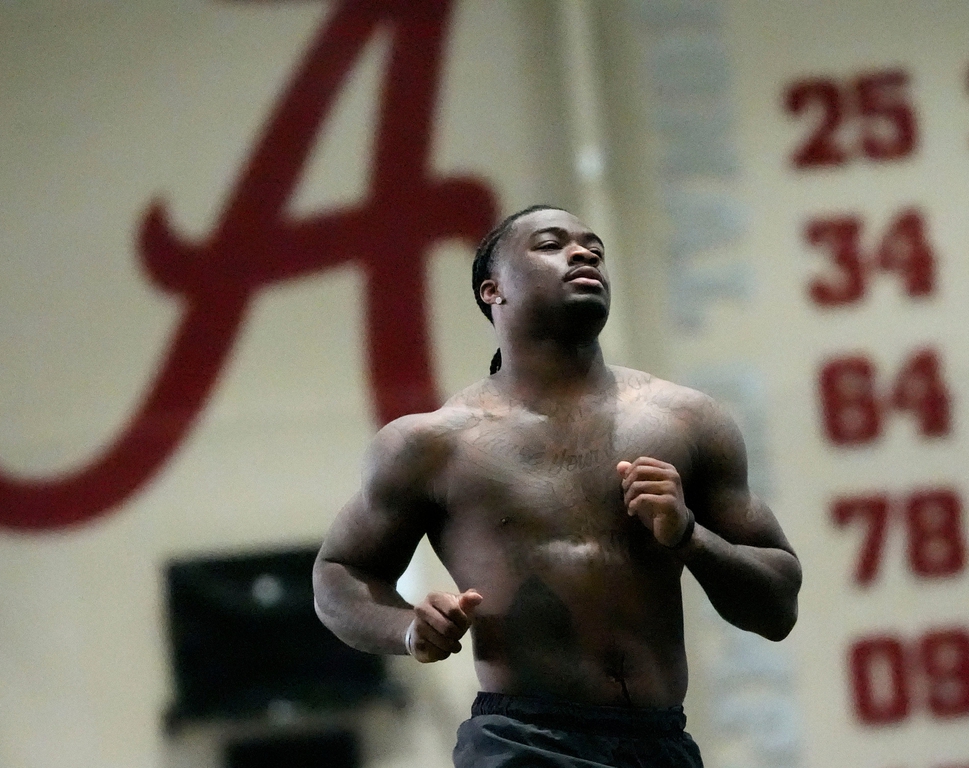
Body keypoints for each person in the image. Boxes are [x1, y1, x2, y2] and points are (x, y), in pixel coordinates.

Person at [313, 205, 802, 767]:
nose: (583, 253)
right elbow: (339, 575)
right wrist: (407, 631)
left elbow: (778, 606)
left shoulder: (688, 421)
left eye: (593, 246)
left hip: (660, 744)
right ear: (492, 290)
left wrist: (690, 536)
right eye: (551, 244)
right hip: (521, 743)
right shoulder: (434, 444)